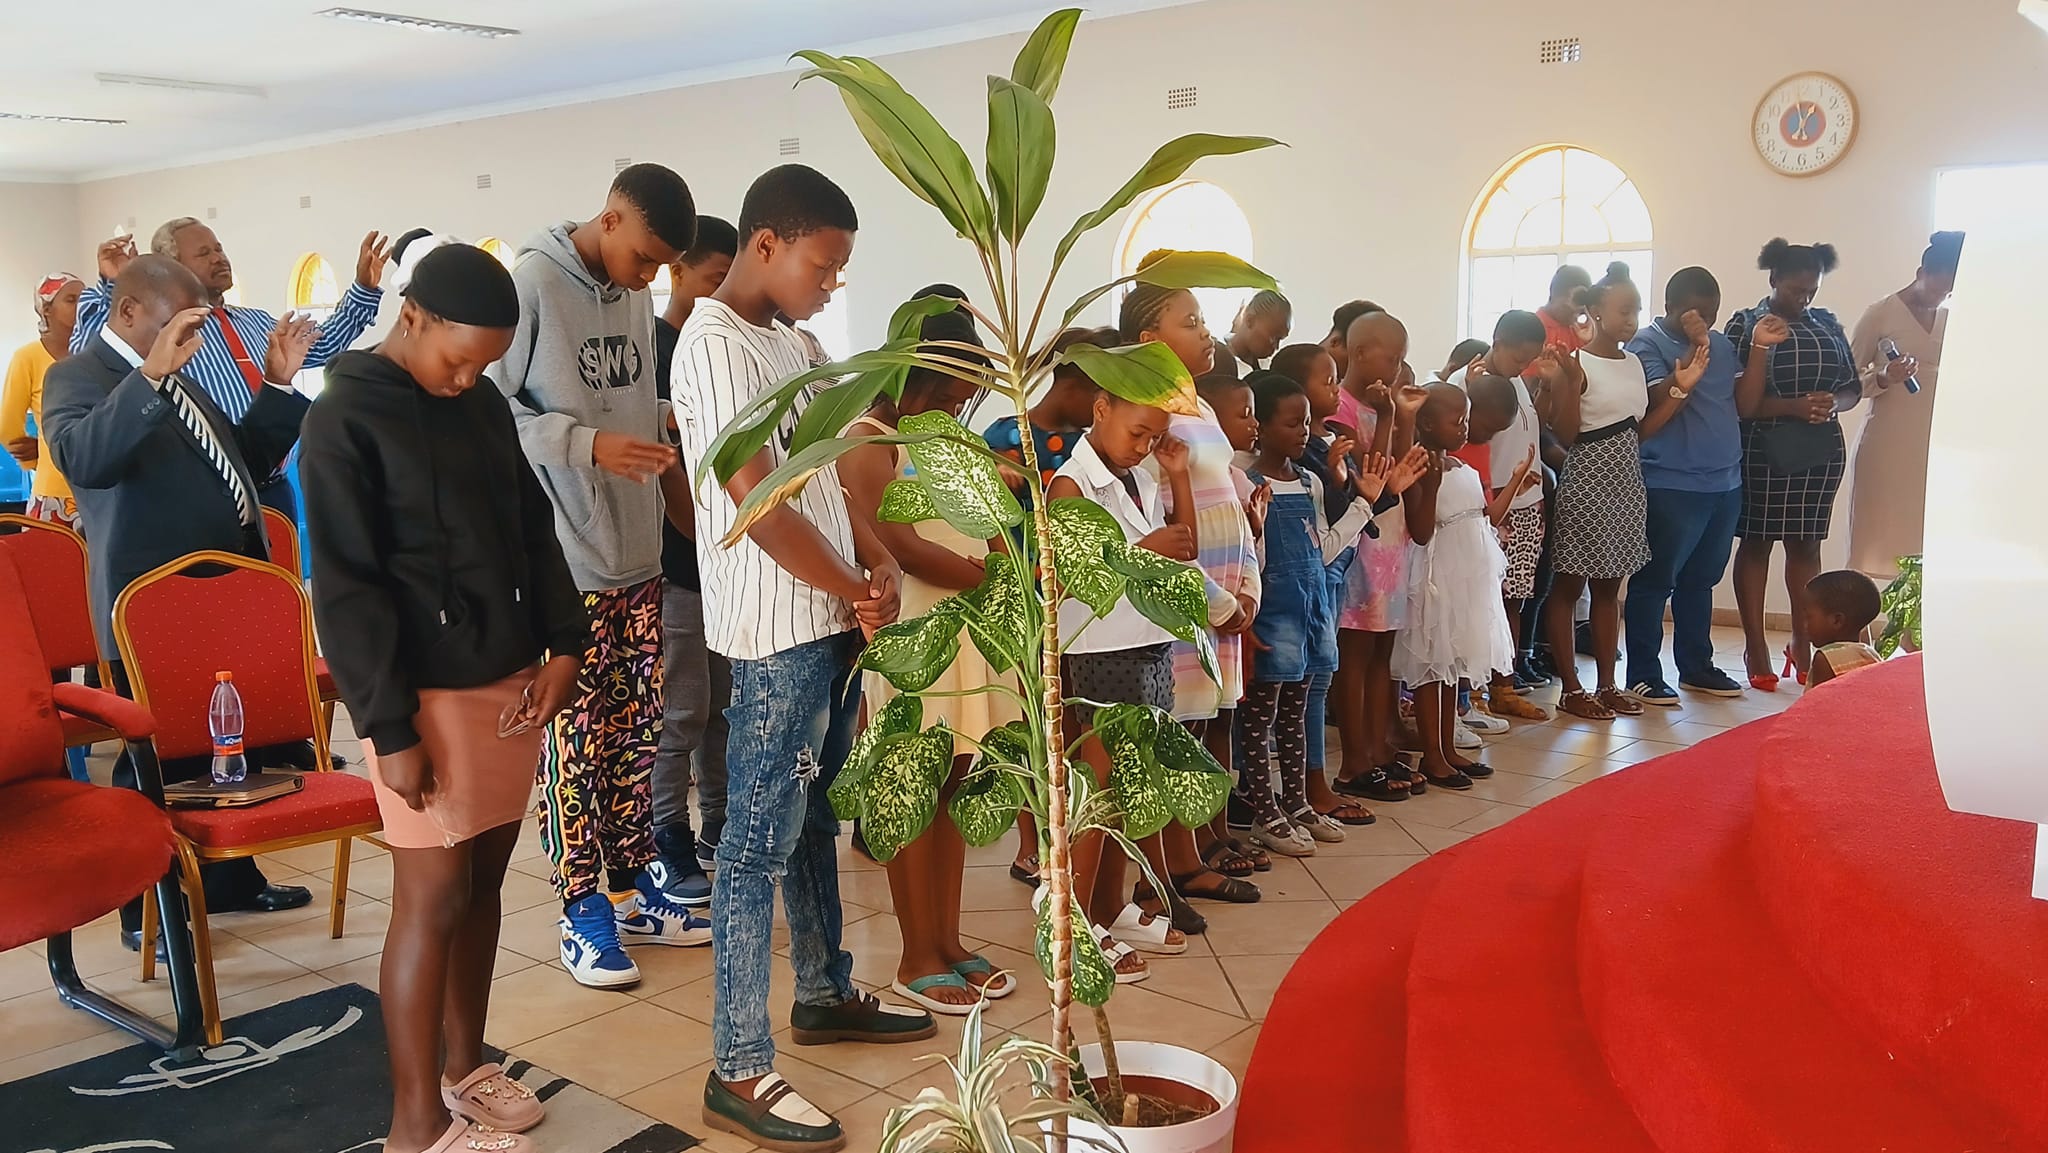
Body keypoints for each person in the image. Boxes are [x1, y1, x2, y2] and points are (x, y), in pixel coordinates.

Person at [301, 242, 588, 1153]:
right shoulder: (344, 416)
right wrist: (386, 728)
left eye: (486, 364)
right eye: (457, 357)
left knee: (486, 881)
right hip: (417, 694)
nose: (468, 379)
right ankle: (415, 1123)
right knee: (431, 892)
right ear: (412, 315)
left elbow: (530, 527)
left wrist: (566, 642)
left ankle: (468, 1069)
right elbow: (344, 586)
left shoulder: (480, 408)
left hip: (505, 679)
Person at [673, 163, 935, 1152]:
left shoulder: (795, 340)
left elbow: (827, 479)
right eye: (823, 264)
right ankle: (737, 1065)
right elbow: (754, 495)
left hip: (826, 626)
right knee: (754, 844)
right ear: (767, 245)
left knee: (815, 811)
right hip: (779, 640)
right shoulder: (709, 346)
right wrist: (843, 584)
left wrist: (870, 559)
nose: (831, 283)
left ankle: (824, 990)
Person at [42, 255, 319, 946]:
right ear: (129, 310)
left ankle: (230, 879)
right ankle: (153, 914)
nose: (188, 341)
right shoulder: (77, 378)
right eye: (178, 325)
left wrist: (278, 384)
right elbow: (84, 459)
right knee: (161, 764)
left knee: (226, 751)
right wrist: (153, 375)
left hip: (219, 600)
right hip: (150, 609)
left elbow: (242, 466)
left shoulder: (182, 380)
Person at [491, 162, 711, 990]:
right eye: (646, 259)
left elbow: (626, 397)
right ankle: (580, 904)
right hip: (570, 561)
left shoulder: (631, 291)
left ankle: (632, 885)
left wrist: (662, 420)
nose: (650, 279)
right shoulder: (533, 284)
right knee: (576, 740)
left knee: (635, 730)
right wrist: (587, 445)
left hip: (639, 555)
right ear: (612, 218)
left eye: (660, 268)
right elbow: (492, 409)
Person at [840, 296, 1019, 1015]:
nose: (959, 396)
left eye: (967, 385)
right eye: (949, 381)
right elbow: (900, 544)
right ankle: (915, 955)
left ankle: (947, 939)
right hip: (918, 635)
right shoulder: (865, 436)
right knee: (916, 788)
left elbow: (993, 516)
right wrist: (995, 580)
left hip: (972, 633)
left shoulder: (946, 437)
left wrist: (1008, 566)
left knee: (955, 784)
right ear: (911, 366)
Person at [72, 223, 387, 519]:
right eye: (204, 253)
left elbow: (320, 345)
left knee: (276, 577)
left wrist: (363, 289)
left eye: (219, 249)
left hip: (274, 488)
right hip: (211, 495)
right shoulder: (165, 335)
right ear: (173, 268)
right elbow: (99, 354)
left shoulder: (255, 321)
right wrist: (113, 284)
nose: (219, 258)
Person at [1123, 256, 1260, 930]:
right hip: (1179, 594)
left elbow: (1229, 502)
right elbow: (1156, 517)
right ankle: (1158, 871)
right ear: (1151, 340)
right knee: (1165, 734)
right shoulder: (1144, 410)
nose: (1207, 334)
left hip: (1220, 594)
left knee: (1195, 728)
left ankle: (1184, 854)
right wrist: (1214, 597)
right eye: (1192, 321)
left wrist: (1246, 583)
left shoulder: (1200, 404)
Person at [1047, 390, 1199, 982]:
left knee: (1134, 783)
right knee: (1102, 781)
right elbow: (1074, 576)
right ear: (1100, 408)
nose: (1145, 447)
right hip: (1100, 646)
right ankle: (1077, 921)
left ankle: (1111, 906)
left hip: (1146, 642)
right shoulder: (1070, 485)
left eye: (1155, 439)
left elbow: (1180, 548)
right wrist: (1142, 553)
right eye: (1138, 433)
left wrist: (1177, 474)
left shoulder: (1136, 478)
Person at [1237, 371, 1422, 851]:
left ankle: (1296, 800)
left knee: (1298, 710)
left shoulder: (1309, 481)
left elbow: (1323, 549)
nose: (1303, 432)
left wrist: (1364, 502)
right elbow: (1251, 561)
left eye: (1305, 423)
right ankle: (1262, 809)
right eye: (1291, 424)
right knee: (1262, 716)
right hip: (1273, 613)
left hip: (1312, 609)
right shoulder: (1250, 484)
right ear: (1259, 427)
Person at [984, 324, 1115, 887]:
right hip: (1028, 604)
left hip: (1081, 610)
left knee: (1071, 726)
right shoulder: (1003, 436)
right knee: (1032, 723)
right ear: (1081, 380)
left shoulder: (1096, 443)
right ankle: (1030, 846)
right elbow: (990, 524)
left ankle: (1069, 839)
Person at [1270, 341, 1406, 824]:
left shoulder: (1324, 445)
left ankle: (1308, 788)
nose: (1333, 386)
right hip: (1302, 587)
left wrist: (1375, 491)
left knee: (1314, 687)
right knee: (1292, 695)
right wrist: (1339, 482)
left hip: (1326, 576)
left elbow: (1345, 519)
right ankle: (1292, 792)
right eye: (1325, 379)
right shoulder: (1298, 456)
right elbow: (1327, 519)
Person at [649, 214, 742, 902]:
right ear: (677, 271)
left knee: (721, 706)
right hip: (678, 558)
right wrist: (694, 527)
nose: (721, 292)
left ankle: (721, 823)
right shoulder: (655, 346)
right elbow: (664, 460)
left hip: (723, 554)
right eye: (714, 278)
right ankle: (665, 837)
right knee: (681, 711)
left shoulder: (720, 344)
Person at [1726, 240, 1859, 688]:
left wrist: (1832, 403)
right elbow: (1740, 402)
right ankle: (1756, 645)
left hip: (1820, 451)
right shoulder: (1746, 324)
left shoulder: (1827, 324)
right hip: (1765, 449)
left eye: (1812, 290)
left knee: (1806, 546)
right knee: (1758, 542)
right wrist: (1794, 406)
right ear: (1773, 280)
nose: (1804, 299)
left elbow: (1852, 386)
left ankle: (1803, 641)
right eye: (1796, 289)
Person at [1397, 383, 1537, 789]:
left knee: (1453, 667)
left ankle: (1447, 746)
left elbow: (1488, 517)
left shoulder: (1464, 468)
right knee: (1432, 666)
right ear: (1425, 423)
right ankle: (1433, 755)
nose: (1464, 427)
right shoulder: (1422, 467)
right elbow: (1421, 532)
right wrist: (1435, 481)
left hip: (1469, 580)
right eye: (1456, 420)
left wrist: (1514, 483)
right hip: (1438, 577)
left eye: (1466, 417)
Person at [1541, 264, 1663, 721]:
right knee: (1571, 585)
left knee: (1612, 590)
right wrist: (1568, 384)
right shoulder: (1576, 362)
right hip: (1588, 480)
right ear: (1593, 312)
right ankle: (1572, 688)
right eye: (1624, 310)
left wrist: (1675, 393)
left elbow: (1640, 429)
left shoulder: (1633, 363)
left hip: (1627, 482)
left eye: (1636, 311)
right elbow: (1567, 433)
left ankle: (1608, 684)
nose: (1632, 320)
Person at [1623, 267, 1747, 705]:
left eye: (1712, 314)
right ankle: (1642, 672)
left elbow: (1740, 403)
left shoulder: (1725, 346)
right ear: (1670, 307)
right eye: (1695, 314)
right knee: (1656, 580)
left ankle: (1696, 665)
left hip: (1724, 482)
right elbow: (1660, 404)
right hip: (1671, 482)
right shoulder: (1646, 345)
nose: (1705, 323)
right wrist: (1695, 349)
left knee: (1702, 579)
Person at [1329, 310, 1425, 801]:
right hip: (1359, 541)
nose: (1400, 365)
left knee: (1381, 653)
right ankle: (1353, 762)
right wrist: (1387, 417)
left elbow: (1402, 469)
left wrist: (1399, 416)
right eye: (1393, 356)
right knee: (1356, 655)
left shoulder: (1381, 401)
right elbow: (1375, 471)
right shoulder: (1339, 407)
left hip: (1391, 538)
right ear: (1360, 352)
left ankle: (1379, 747)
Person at [1446, 312, 1551, 723]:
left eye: (1529, 360)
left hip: (1524, 506)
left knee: (1513, 601)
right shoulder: (1465, 385)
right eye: (1517, 357)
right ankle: (1470, 696)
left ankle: (1503, 686)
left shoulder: (1517, 382)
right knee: (1481, 606)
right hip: (1485, 510)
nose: (1521, 366)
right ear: (1497, 341)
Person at [1846, 231, 1963, 581]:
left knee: (1927, 542)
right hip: (1889, 444)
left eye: (1948, 291)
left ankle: (1915, 633)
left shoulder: (1951, 317)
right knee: (1880, 537)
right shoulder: (1880, 314)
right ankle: (1860, 623)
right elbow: (1847, 381)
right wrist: (1883, 376)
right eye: (1936, 288)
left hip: (1936, 447)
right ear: (1920, 272)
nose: (1940, 297)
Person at [3, 274, 84, 523]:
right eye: (72, 300)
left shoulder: (94, 353)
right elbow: (8, 428)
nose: (81, 306)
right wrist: (39, 459)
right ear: (47, 309)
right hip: (56, 495)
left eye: (85, 298)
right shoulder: (27, 358)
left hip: (107, 492)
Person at [1803, 570, 1884, 687]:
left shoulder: (1826, 659)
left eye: (1808, 617)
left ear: (1837, 620)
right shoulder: (1871, 655)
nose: (1804, 624)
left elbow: (1818, 703)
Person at [1223, 289, 1292, 374]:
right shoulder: (1215, 358)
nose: (1276, 347)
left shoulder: (1269, 367)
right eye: (1273, 337)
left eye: (1280, 339)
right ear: (1250, 320)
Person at [1537, 264, 1593, 352]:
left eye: (1580, 312)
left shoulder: (1581, 333)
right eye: (1572, 310)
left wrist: (1592, 342)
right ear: (1555, 296)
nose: (1576, 317)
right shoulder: (1531, 329)